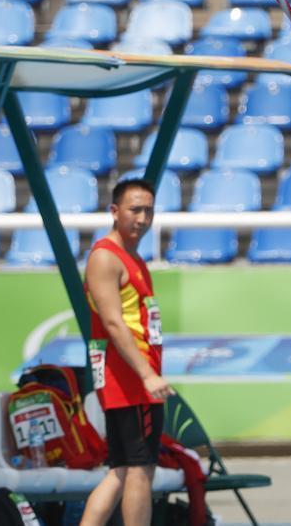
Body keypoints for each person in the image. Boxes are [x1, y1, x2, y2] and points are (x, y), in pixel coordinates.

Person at [80, 178, 174, 526]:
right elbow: (113, 323)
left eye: (149, 210)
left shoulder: (130, 257)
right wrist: (147, 375)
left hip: (133, 379)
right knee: (140, 469)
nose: (143, 218)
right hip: (129, 380)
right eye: (135, 209)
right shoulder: (105, 257)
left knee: (121, 470)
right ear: (114, 211)